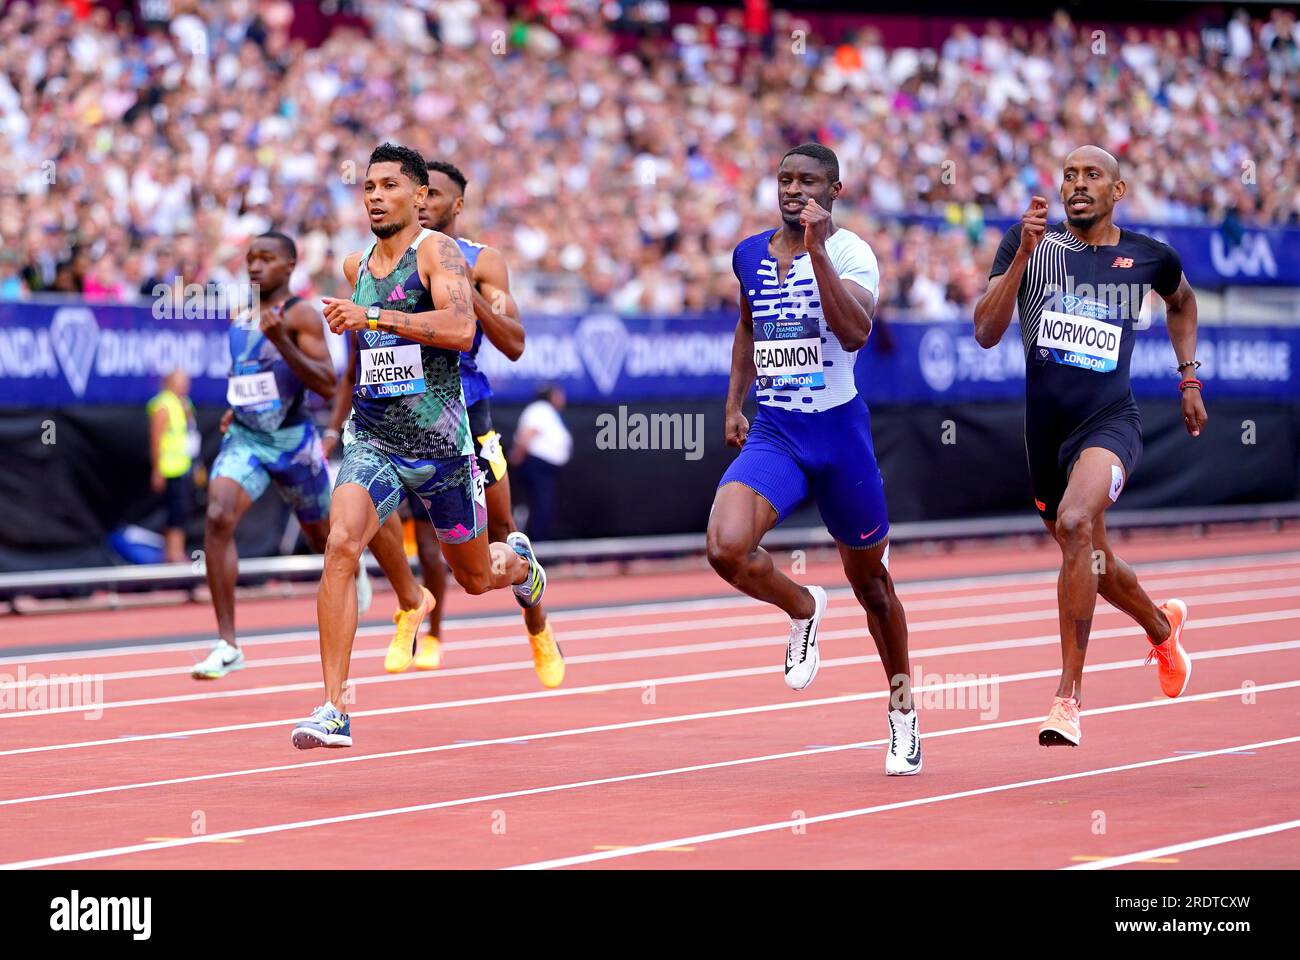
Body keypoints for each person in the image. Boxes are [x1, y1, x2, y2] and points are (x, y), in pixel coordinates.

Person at [293, 143, 547, 749]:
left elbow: (462, 330)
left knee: (478, 577)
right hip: (374, 438)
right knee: (339, 546)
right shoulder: (357, 266)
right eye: (368, 187)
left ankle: (523, 568)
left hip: (441, 446)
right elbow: (361, 354)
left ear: (418, 196)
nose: (375, 196)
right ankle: (334, 708)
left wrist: (375, 319)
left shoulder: (437, 252)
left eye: (388, 186)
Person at [972, 145, 1202, 747]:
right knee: (1093, 562)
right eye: (1069, 175)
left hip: (1111, 424)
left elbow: (1183, 301)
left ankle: (1068, 698)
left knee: (1076, 523)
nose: (1077, 184)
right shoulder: (1032, 246)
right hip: (1045, 438)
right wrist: (1021, 256)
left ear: (1116, 191)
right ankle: (1161, 626)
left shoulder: (1149, 256)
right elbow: (986, 332)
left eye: (1092, 175)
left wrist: (1189, 376)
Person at [706, 143, 920, 776]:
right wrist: (732, 403)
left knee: (872, 587)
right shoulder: (748, 254)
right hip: (776, 431)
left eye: (809, 182)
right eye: (785, 180)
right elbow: (747, 325)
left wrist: (817, 249)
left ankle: (903, 712)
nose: (794, 190)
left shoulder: (852, 252)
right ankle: (802, 606)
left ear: (835, 190)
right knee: (725, 547)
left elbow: (855, 332)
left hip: (839, 434)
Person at [193, 232, 371, 680]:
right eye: (250, 259)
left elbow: (328, 386)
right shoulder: (239, 317)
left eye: (266, 259)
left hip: (294, 442)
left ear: (289, 266)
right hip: (248, 439)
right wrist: (237, 409)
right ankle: (227, 644)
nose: (255, 267)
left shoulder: (301, 315)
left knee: (321, 540)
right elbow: (249, 377)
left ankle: (354, 565)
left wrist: (285, 343)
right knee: (217, 515)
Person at [147, 369, 199, 564]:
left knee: (183, 510)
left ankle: (176, 550)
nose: (184, 386)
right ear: (170, 383)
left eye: (186, 382)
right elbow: (156, 438)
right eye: (180, 382)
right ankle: (172, 553)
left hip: (184, 466)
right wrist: (157, 470)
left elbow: (190, 436)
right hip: (170, 468)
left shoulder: (184, 404)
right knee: (175, 510)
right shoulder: (163, 405)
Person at [509, 384, 572, 542]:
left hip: (545, 469)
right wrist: (517, 456)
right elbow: (527, 434)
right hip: (536, 466)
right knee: (540, 505)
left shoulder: (549, 413)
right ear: (550, 395)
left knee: (544, 505)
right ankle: (537, 546)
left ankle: (540, 543)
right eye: (558, 394)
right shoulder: (540, 409)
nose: (562, 398)